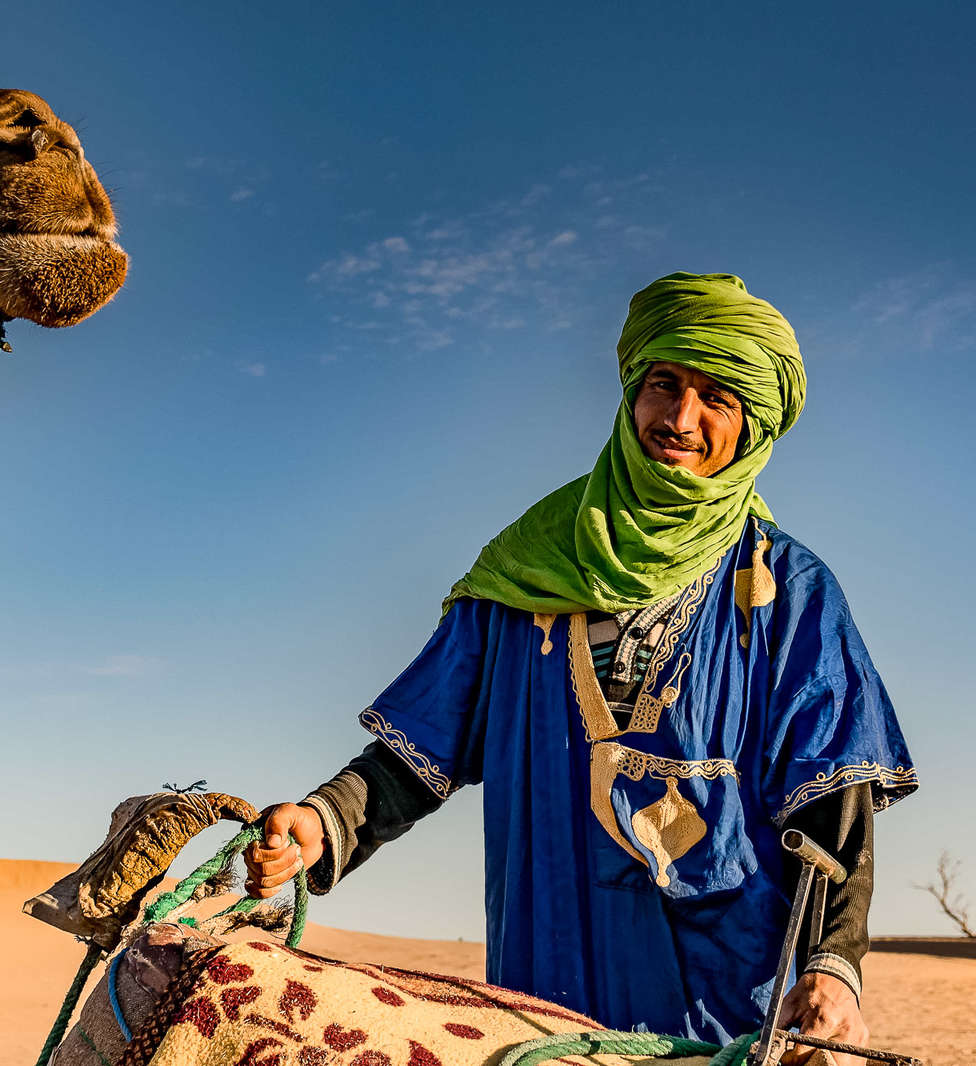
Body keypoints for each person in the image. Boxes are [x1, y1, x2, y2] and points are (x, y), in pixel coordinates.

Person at [243, 273, 916, 1055]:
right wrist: (324, 820)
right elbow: (422, 747)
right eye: (665, 384)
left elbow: (833, 807)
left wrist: (834, 968)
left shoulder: (788, 592)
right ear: (633, 391)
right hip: (545, 994)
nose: (680, 419)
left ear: (753, 429)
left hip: (728, 1006)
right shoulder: (526, 570)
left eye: (717, 400)